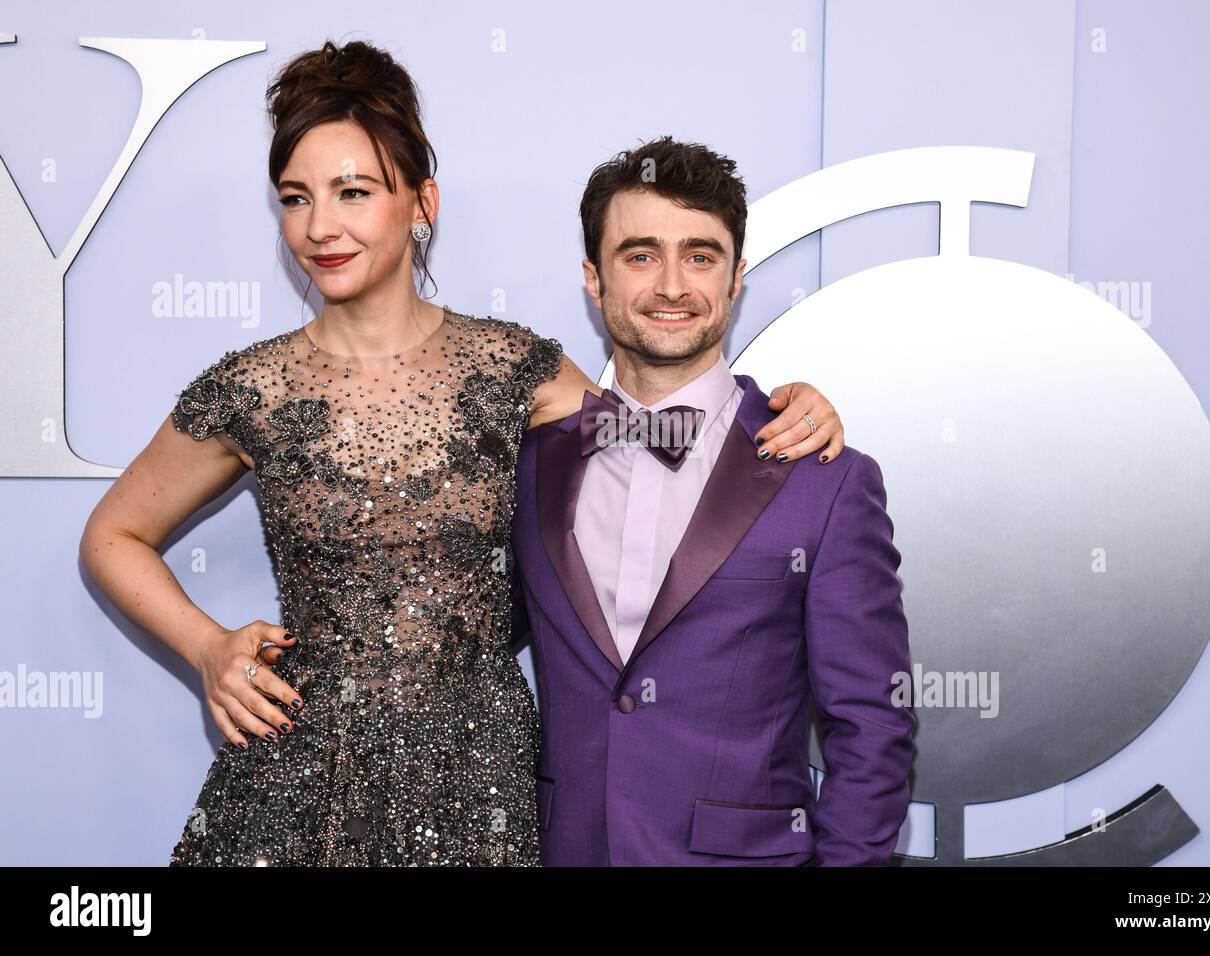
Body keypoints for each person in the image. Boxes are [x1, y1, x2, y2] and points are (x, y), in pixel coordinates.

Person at [77, 40, 846, 867]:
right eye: (295, 199)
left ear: (421, 202)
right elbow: (111, 537)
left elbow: (673, 439)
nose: (321, 226)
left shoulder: (514, 369)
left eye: (353, 192)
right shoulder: (250, 391)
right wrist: (207, 648)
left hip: (479, 776)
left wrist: (788, 403)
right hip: (299, 777)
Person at [509, 136, 916, 866]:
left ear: (736, 281)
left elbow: (873, 728)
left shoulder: (824, 478)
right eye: (639, 256)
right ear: (592, 280)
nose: (672, 286)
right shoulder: (528, 462)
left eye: (700, 257)